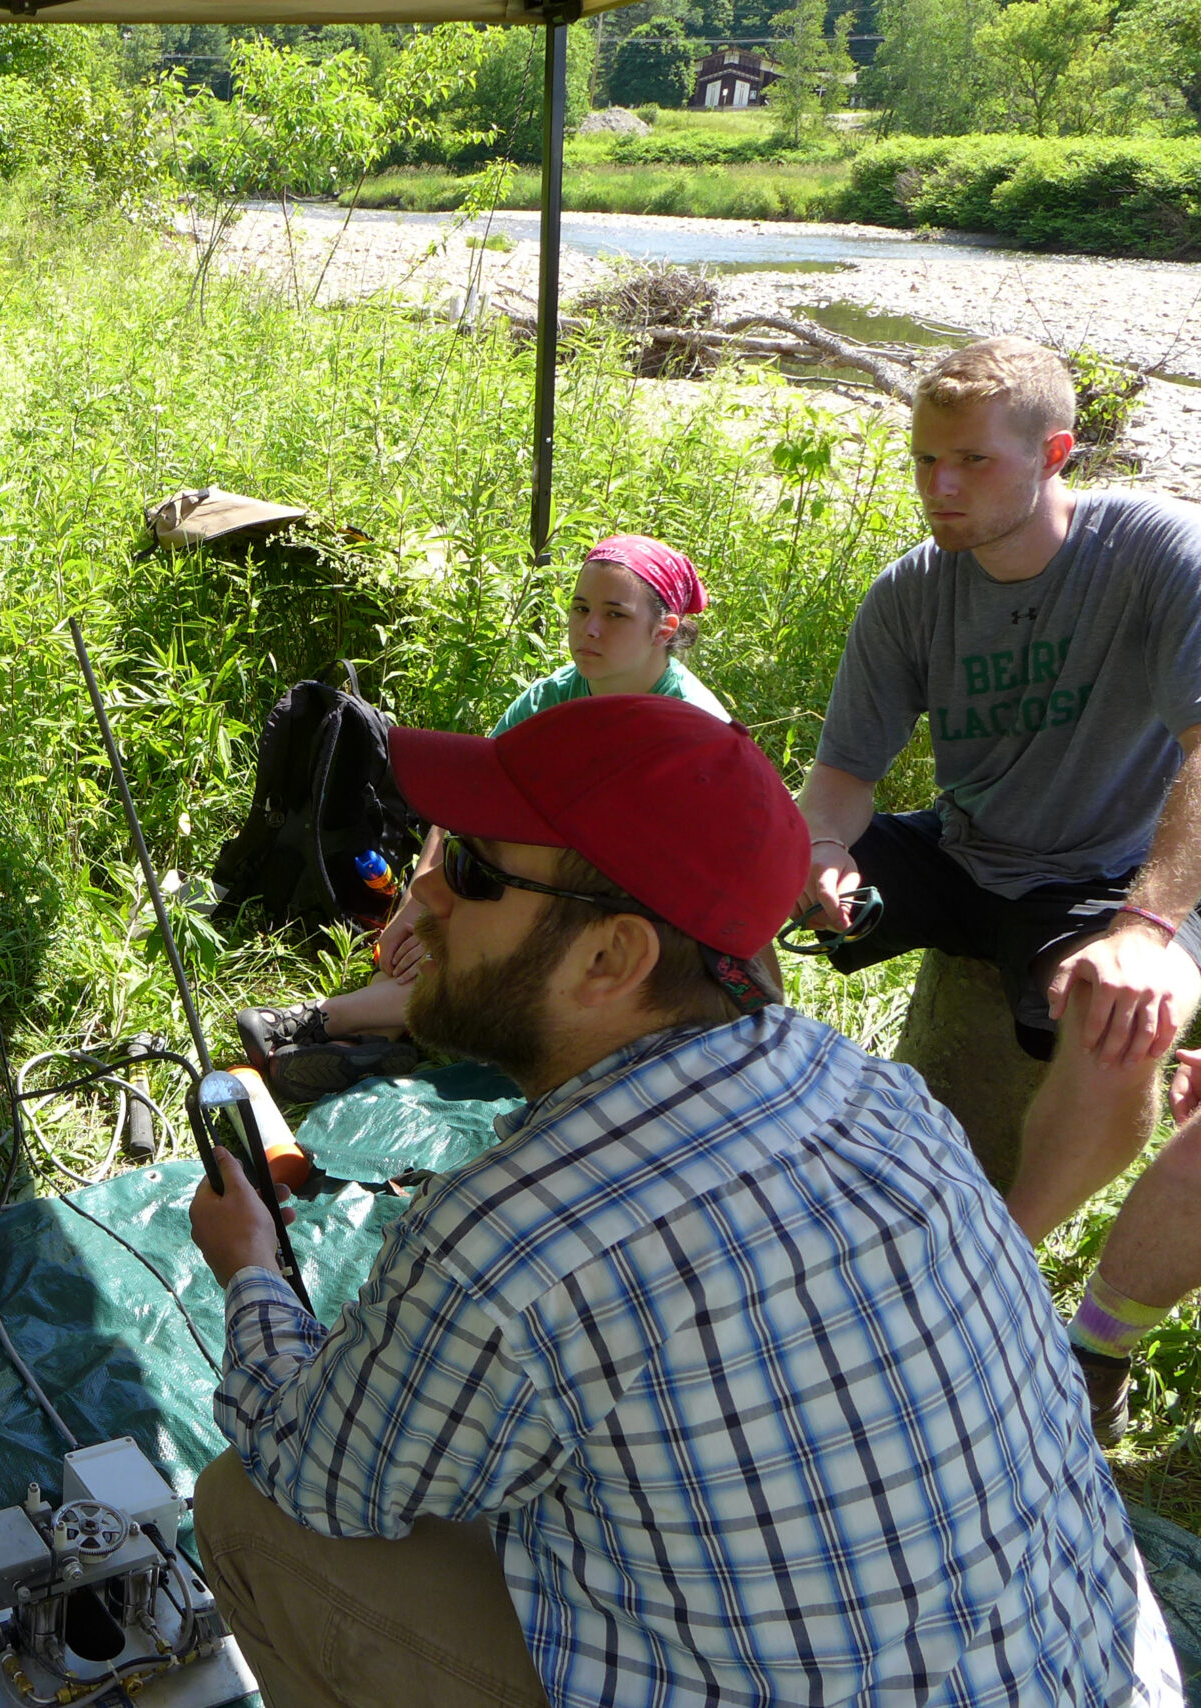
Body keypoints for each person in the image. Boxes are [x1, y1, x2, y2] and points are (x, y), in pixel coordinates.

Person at [186, 694, 1182, 1708]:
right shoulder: (875, 1092)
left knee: (242, 1505)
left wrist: (252, 1272)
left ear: (612, 958)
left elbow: (317, 1468)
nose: (425, 889)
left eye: (476, 871)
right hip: (1095, 1678)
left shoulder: (513, 1237)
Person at [797, 336, 1201, 1443]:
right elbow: (837, 783)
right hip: (966, 852)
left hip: (1106, 873)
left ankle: (991, 1265)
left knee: (1124, 1010)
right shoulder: (911, 592)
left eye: (970, 461)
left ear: (1053, 454)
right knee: (726, 878)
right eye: (924, 459)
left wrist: (1147, 925)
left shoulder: (1152, 550)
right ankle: (731, 1176)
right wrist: (820, 851)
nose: (938, 488)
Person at [236, 535, 728, 1103]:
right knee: (439, 915)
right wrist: (419, 900)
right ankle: (377, 1034)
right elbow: (465, 808)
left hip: (633, 927)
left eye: (614, 615)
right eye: (580, 608)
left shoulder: (693, 729)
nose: (589, 629)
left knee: (511, 934)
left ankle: (326, 1019)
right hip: (531, 881)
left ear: (662, 629)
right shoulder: (551, 698)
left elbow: (693, 883)